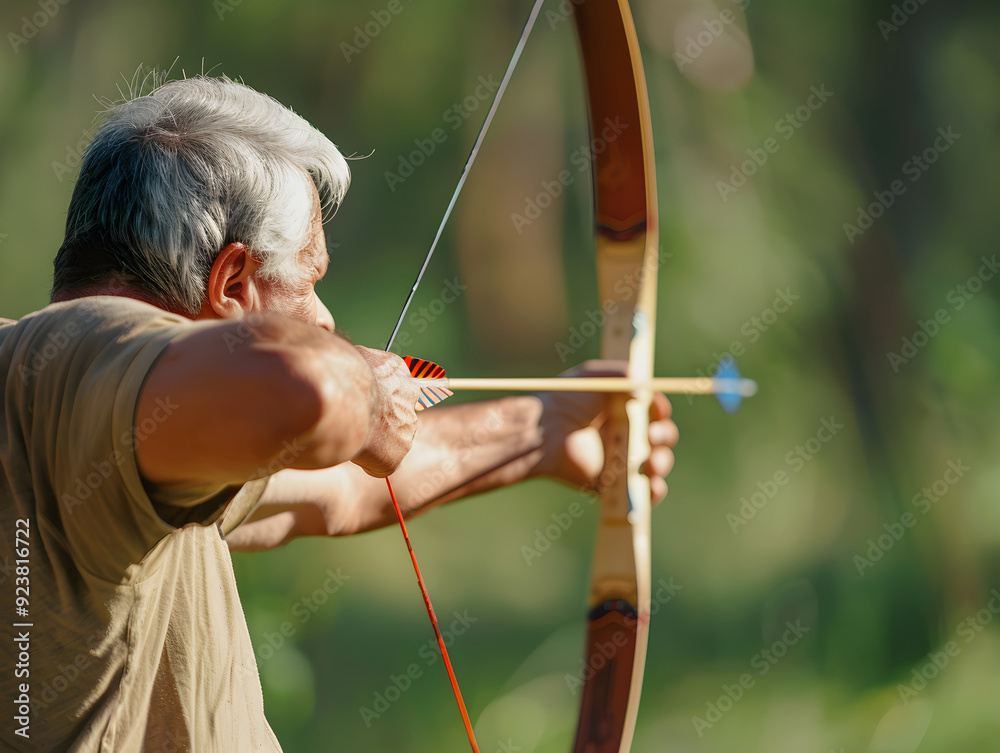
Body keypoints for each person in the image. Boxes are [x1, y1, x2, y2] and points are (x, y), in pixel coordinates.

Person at [0, 75, 677, 752]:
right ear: (231, 283)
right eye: (309, 279)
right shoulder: (75, 366)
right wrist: (367, 393)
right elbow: (310, 391)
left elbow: (342, 491)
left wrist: (546, 431)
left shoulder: (131, 425)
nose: (326, 317)